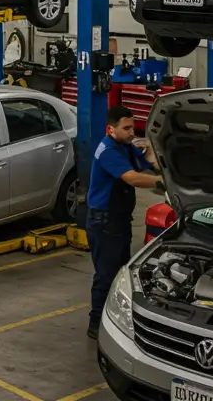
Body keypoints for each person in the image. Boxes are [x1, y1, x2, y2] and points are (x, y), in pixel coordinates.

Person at [86, 105, 163, 340]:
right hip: (104, 222)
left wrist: (153, 155)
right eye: (126, 128)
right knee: (106, 276)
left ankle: (114, 320)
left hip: (118, 221)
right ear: (111, 129)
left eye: (133, 127)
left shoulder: (125, 146)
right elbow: (132, 178)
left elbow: (149, 164)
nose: (132, 132)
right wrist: (162, 183)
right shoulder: (108, 151)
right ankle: (96, 325)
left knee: (122, 274)